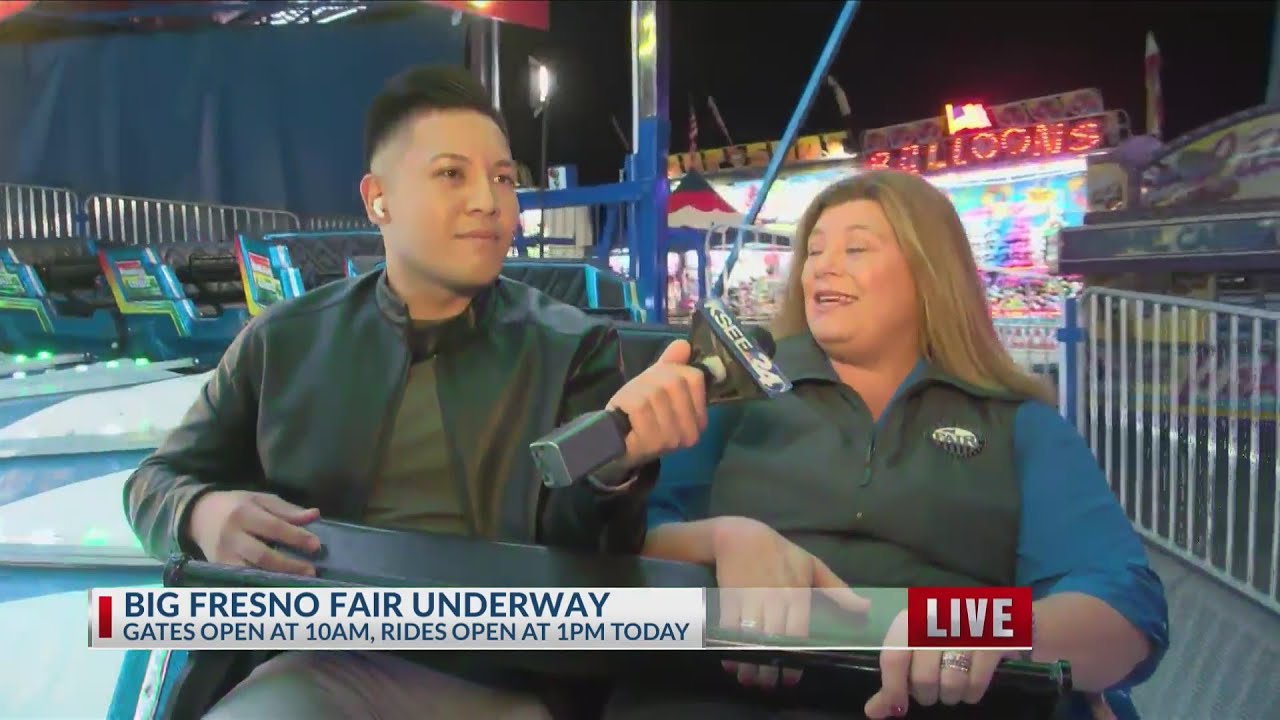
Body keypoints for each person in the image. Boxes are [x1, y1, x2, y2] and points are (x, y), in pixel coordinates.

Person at [123, 65, 709, 719]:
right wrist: (200, 512)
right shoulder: (283, 341)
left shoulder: (573, 346)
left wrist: (616, 465)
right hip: (319, 663)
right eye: (452, 174)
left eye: (504, 178)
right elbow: (154, 482)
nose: (489, 201)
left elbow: (587, 554)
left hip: (511, 675)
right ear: (379, 199)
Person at [610, 170, 1169, 720]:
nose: (823, 266)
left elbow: (1124, 608)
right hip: (710, 695)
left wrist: (989, 629)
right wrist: (720, 540)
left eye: (857, 248)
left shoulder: (1019, 425)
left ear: (930, 273)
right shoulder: (732, 396)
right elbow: (614, 538)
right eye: (815, 250)